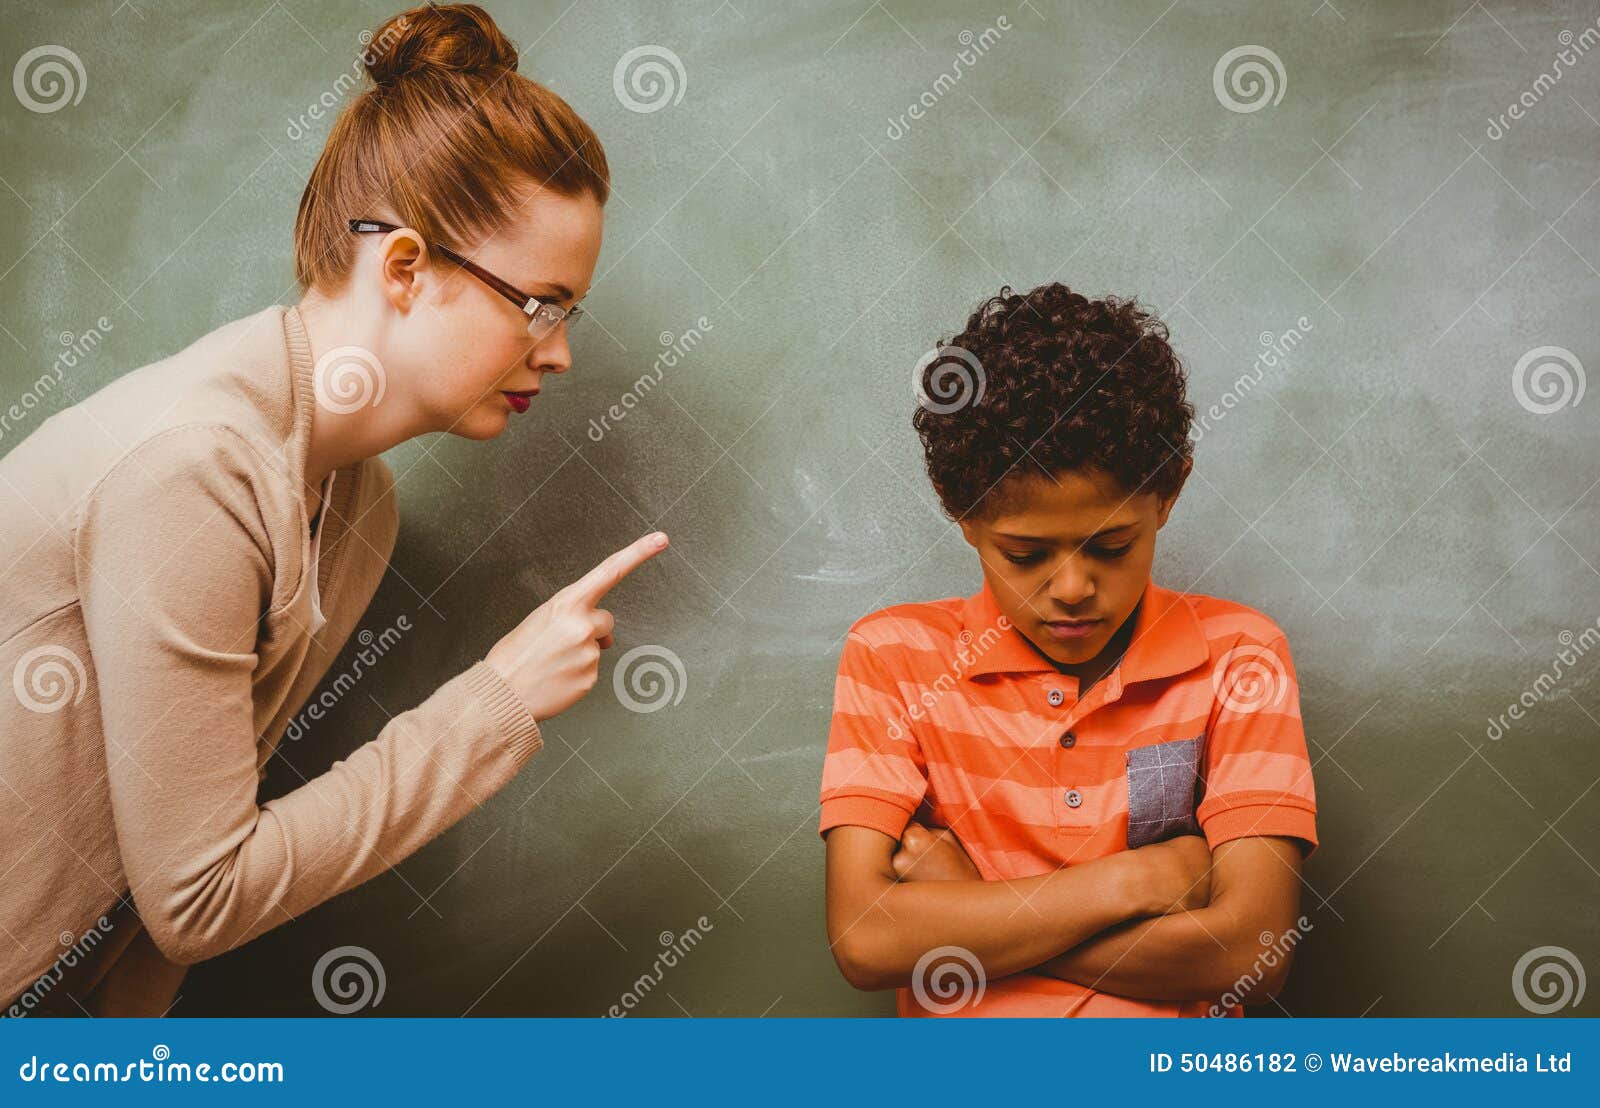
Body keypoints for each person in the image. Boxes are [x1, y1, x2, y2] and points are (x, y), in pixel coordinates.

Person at [0, 3, 665, 1016]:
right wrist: (499, 700)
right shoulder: (202, 467)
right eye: (540, 305)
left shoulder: (355, 501)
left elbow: (152, 906)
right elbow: (201, 895)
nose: (560, 352)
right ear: (402, 269)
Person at [819, 283, 1319, 1016]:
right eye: (1024, 555)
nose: (1074, 588)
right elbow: (865, 939)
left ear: (1169, 492)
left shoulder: (1242, 658)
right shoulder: (893, 657)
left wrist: (975, 909)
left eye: (1113, 547)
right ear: (959, 510)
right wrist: (1134, 883)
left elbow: (1248, 953)